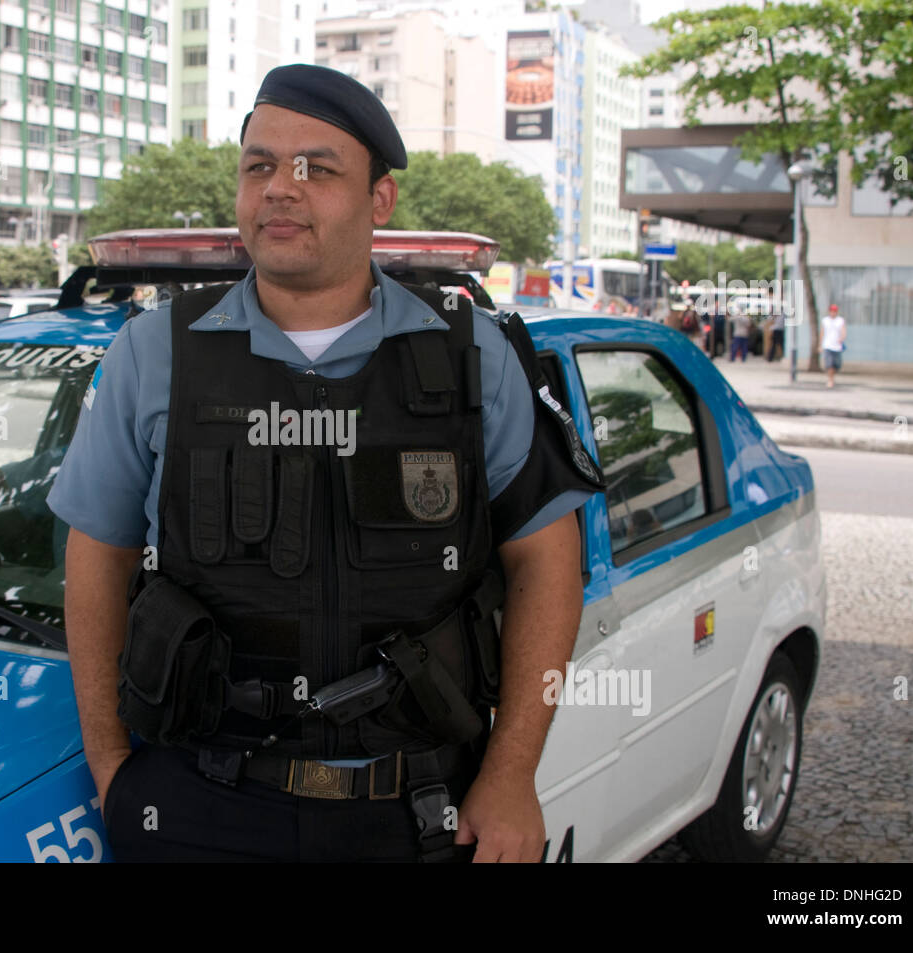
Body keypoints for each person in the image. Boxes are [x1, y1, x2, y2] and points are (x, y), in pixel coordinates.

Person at [47, 63, 603, 863]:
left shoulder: (473, 353)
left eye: (316, 167)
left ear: (380, 200)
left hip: (421, 815)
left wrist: (514, 773)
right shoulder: (153, 351)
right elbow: (96, 556)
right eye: (260, 165)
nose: (280, 188)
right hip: (207, 810)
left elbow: (548, 564)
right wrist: (111, 766)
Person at [820, 303, 846, 387]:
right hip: (827, 345)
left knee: (837, 365)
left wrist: (842, 338)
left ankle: (832, 377)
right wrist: (820, 345)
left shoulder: (840, 320)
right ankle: (830, 380)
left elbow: (843, 331)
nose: (833, 312)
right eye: (831, 311)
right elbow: (822, 332)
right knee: (829, 364)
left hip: (837, 346)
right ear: (829, 311)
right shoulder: (825, 320)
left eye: (834, 311)